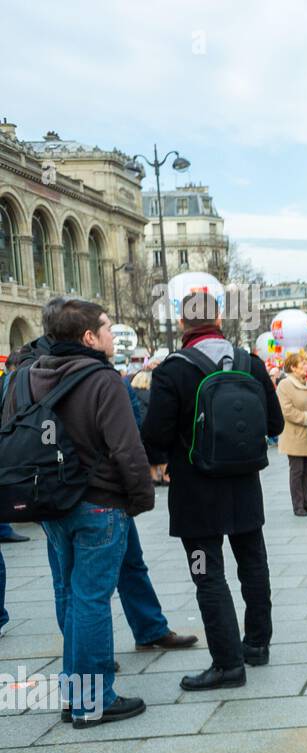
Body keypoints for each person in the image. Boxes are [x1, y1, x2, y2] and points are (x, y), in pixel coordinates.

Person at [0, 300, 154, 727]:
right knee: (91, 599)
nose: (110, 335)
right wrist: (140, 499)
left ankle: (75, 695)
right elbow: (128, 448)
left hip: (47, 503)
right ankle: (94, 700)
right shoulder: (103, 379)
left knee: (70, 594)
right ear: (88, 337)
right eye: (106, 328)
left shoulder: (23, 378)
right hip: (99, 504)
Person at [141, 292, 284, 690]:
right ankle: (256, 644)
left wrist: (164, 458)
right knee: (253, 565)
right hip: (245, 488)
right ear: (219, 318)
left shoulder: (173, 370)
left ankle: (227, 664)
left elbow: (154, 435)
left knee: (207, 574)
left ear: (182, 323)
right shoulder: (249, 363)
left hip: (195, 492)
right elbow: (275, 425)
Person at [276, 350, 307, 516]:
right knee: (297, 471)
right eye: (303, 363)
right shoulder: (285, 385)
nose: (306, 365)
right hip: (295, 436)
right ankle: (298, 505)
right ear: (293, 367)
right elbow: (286, 410)